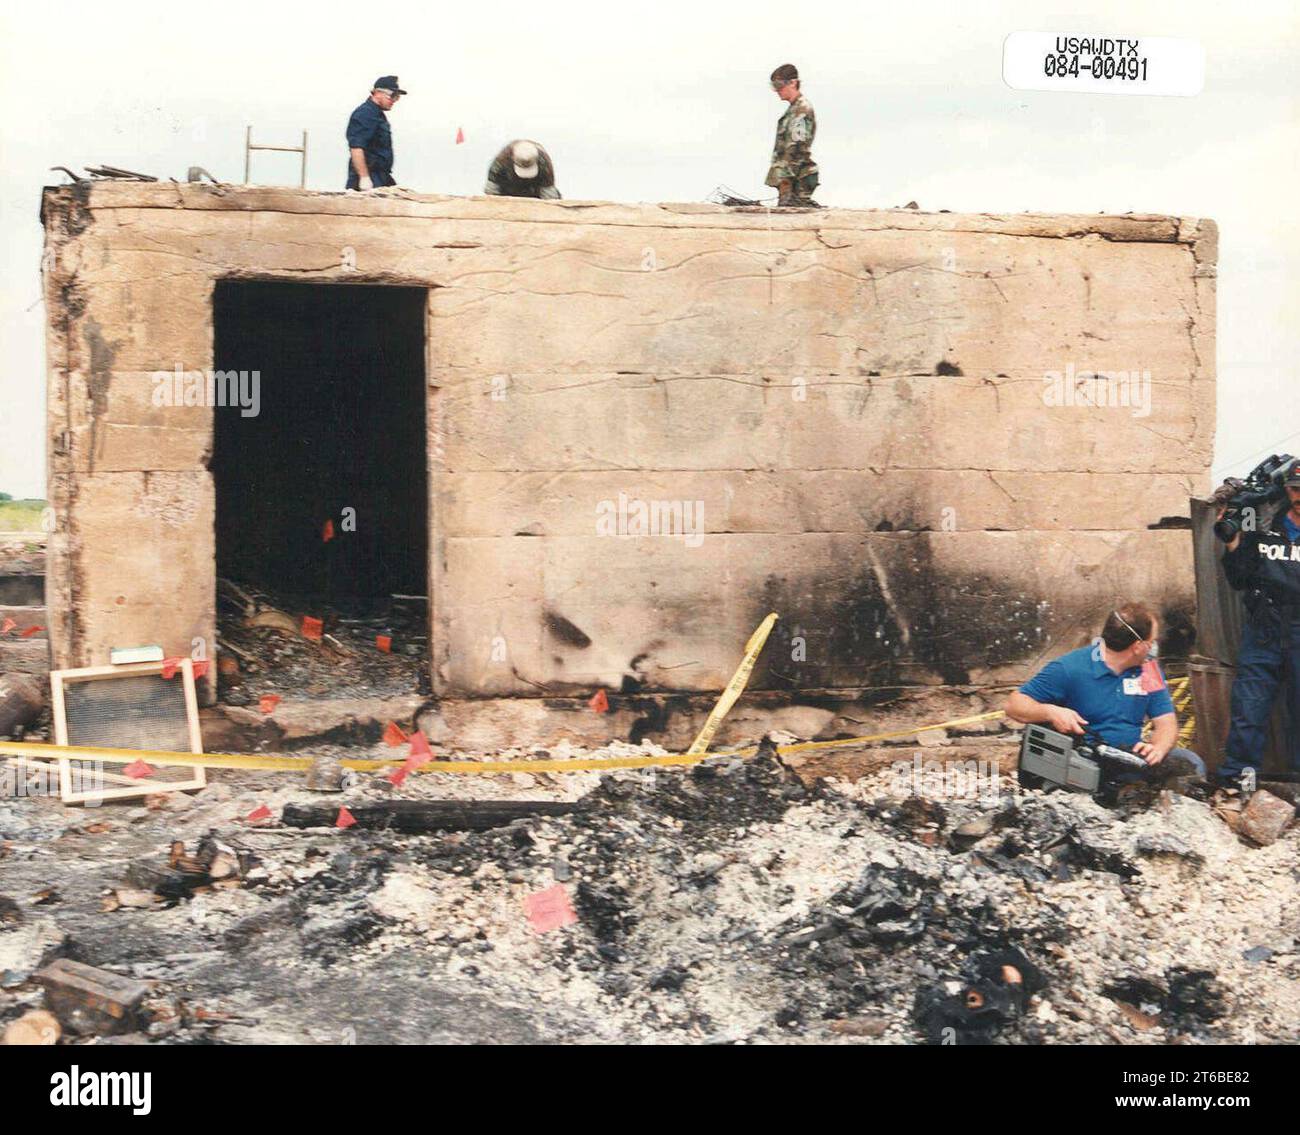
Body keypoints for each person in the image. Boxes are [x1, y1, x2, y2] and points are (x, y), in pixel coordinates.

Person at [1005, 603, 1206, 779]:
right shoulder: (1070, 668)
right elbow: (1014, 705)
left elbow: (1167, 723)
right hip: (1084, 762)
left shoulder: (1148, 670)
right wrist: (1050, 711)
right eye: (1152, 641)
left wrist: (1158, 747)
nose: (1154, 647)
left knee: (1190, 762)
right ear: (1138, 646)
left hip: (1130, 760)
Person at [1216, 468, 1300, 785]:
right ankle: (1236, 780)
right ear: (1286, 490)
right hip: (1264, 626)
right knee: (1249, 705)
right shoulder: (1263, 524)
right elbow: (1239, 578)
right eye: (1294, 489)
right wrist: (1234, 544)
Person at [765, 64, 819, 207]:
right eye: (774, 86)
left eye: (779, 85)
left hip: (797, 179)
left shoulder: (802, 109)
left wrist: (787, 180)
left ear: (793, 83)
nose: (777, 90)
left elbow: (798, 147)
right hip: (789, 177)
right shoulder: (793, 110)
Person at [346, 76, 406, 191]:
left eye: (397, 97)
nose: (394, 100)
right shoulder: (365, 114)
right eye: (392, 95)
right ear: (377, 93)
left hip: (381, 176)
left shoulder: (377, 115)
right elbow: (356, 148)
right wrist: (364, 178)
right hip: (369, 176)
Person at [485, 140, 560, 199]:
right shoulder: (501, 161)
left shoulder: (544, 161)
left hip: (534, 190)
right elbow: (491, 190)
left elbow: (549, 193)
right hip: (507, 189)